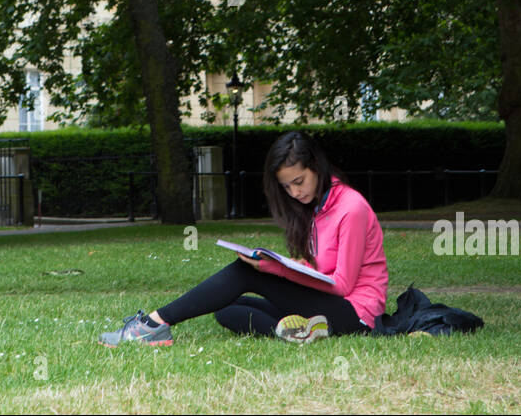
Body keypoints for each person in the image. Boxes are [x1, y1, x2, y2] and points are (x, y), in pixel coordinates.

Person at [99, 131, 389, 346]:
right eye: (286, 187)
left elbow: (342, 285)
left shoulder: (351, 208)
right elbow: (323, 270)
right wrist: (292, 265)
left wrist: (277, 269)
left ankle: (153, 324)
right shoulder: (317, 206)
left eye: (299, 182)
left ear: (317, 166)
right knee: (227, 308)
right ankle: (298, 332)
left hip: (357, 316)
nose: (294, 193)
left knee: (245, 272)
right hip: (328, 307)